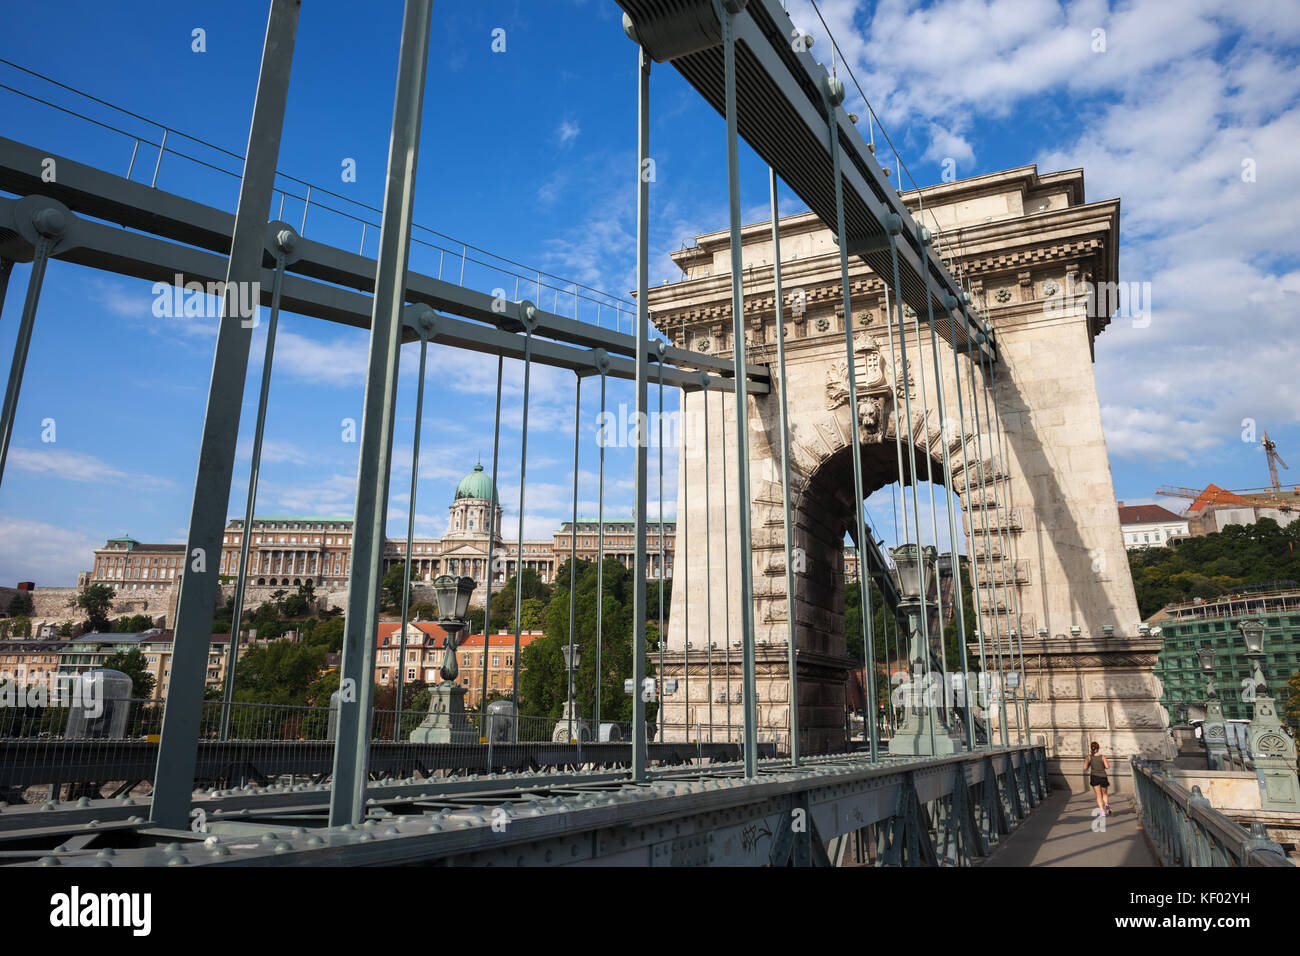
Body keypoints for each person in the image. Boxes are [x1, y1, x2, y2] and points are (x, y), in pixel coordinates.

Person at [1083, 741, 1111, 815]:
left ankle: (1102, 811)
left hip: (1094, 777)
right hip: (1103, 777)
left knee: (1098, 795)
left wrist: (1089, 764)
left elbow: (1085, 768)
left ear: (1091, 748)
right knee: (1104, 794)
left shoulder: (1088, 757)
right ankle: (1107, 805)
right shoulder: (1103, 757)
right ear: (1098, 748)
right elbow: (1107, 767)